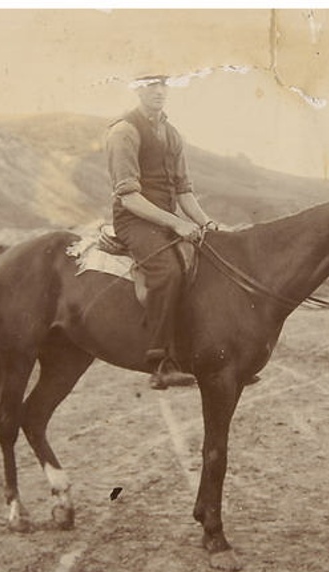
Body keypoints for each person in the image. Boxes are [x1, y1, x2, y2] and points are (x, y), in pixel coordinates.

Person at [106, 74, 220, 390]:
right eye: (148, 86)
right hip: (135, 220)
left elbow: (183, 191)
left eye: (162, 85)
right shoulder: (124, 132)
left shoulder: (172, 134)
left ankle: (207, 353)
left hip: (166, 219)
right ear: (136, 89)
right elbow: (128, 197)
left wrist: (206, 224)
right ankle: (160, 362)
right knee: (167, 271)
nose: (157, 91)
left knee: (212, 260)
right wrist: (176, 223)